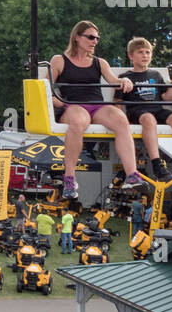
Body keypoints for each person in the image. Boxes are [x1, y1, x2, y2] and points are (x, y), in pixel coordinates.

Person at [49, 20, 145, 198]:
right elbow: (47, 84)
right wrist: (53, 98)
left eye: (97, 38)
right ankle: (69, 178)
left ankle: (132, 174)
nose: (95, 41)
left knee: (121, 120)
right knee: (78, 122)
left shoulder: (99, 62)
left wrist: (125, 81)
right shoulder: (59, 60)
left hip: (97, 106)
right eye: (91, 37)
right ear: (77, 37)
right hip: (73, 105)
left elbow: (112, 79)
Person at [121, 37, 172, 182]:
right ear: (131, 56)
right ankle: (157, 165)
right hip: (137, 110)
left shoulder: (155, 75)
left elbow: (167, 97)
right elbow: (118, 100)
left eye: (147, 52)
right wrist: (122, 118)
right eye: (140, 52)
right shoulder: (125, 77)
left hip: (156, 108)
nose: (145, 55)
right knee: (149, 119)